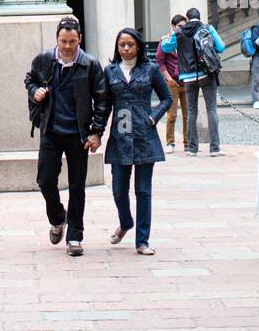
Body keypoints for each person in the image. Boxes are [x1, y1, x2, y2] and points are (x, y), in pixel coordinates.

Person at [25, 15, 109, 257]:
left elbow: (102, 99)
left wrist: (96, 131)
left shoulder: (90, 64)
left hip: (79, 134)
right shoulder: (43, 60)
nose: (68, 46)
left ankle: (75, 236)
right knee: (45, 180)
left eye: (72, 41)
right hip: (51, 130)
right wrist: (35, 92)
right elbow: (30, 79)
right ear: (57, 40)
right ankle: (58, 217)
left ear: (80, 39)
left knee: (77, 186)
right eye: (63, 41)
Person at [104, 28, 172, 255]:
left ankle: (142, 240)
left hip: (144, 133)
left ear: (138, 46)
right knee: (118, 190)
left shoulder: (150, 69)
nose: (125, 49)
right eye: (122, 45)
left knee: (143, 191)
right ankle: (126, 222)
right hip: (120, 133)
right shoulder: (110, 71)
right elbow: (104, 105)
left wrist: (153, 117)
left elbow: (167, 98)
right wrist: (95, 131)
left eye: (130, 45)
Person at [159, 7, 226, 156]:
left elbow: (166, 47)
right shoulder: (207, 28)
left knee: (191, 111)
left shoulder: (180, 32)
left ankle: (192, 149)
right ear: (199, 17)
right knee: (211, 110)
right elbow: (221, 47)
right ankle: (214, 149)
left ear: (188, 19)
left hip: (188, 77)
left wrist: (168, 37)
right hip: (207, 74)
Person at [156, 13, 188, 153]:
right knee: (172, 114)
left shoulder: (187, 39)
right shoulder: (166, 41)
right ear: (174, 26)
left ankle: (188, 142)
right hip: (172, 81)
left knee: (188, 114)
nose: (182, 29)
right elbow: (160, 61)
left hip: (187, 81)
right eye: (180, 26)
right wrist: (168, 78)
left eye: (184, 26)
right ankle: (170, 142)